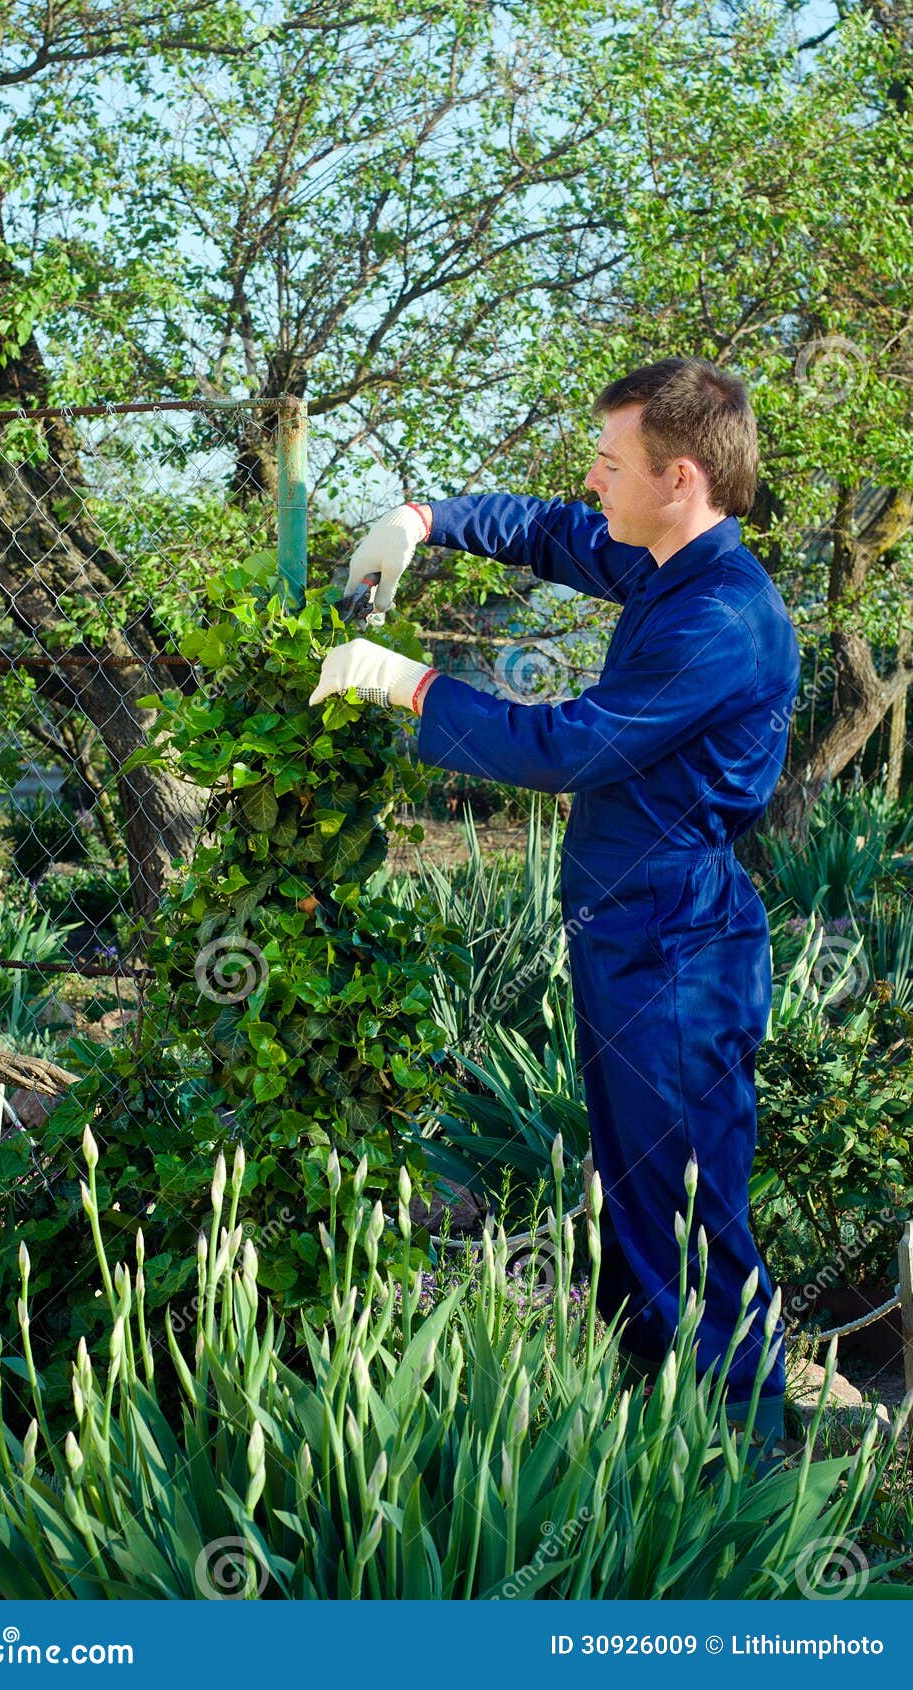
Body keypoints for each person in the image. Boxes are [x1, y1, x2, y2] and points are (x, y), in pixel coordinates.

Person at [309, 356, 802, 1460]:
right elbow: (546, 531)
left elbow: (569, 746)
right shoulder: (665, 563)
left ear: (678, 477)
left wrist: (406, 685)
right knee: (637, 1190)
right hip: (632, 935)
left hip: (676, 944)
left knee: (683, 1198)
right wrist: (423, 517)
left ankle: (740, 1458)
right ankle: (650, 1419)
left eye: (608, 461)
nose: (590, 478)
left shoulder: (721, 619)